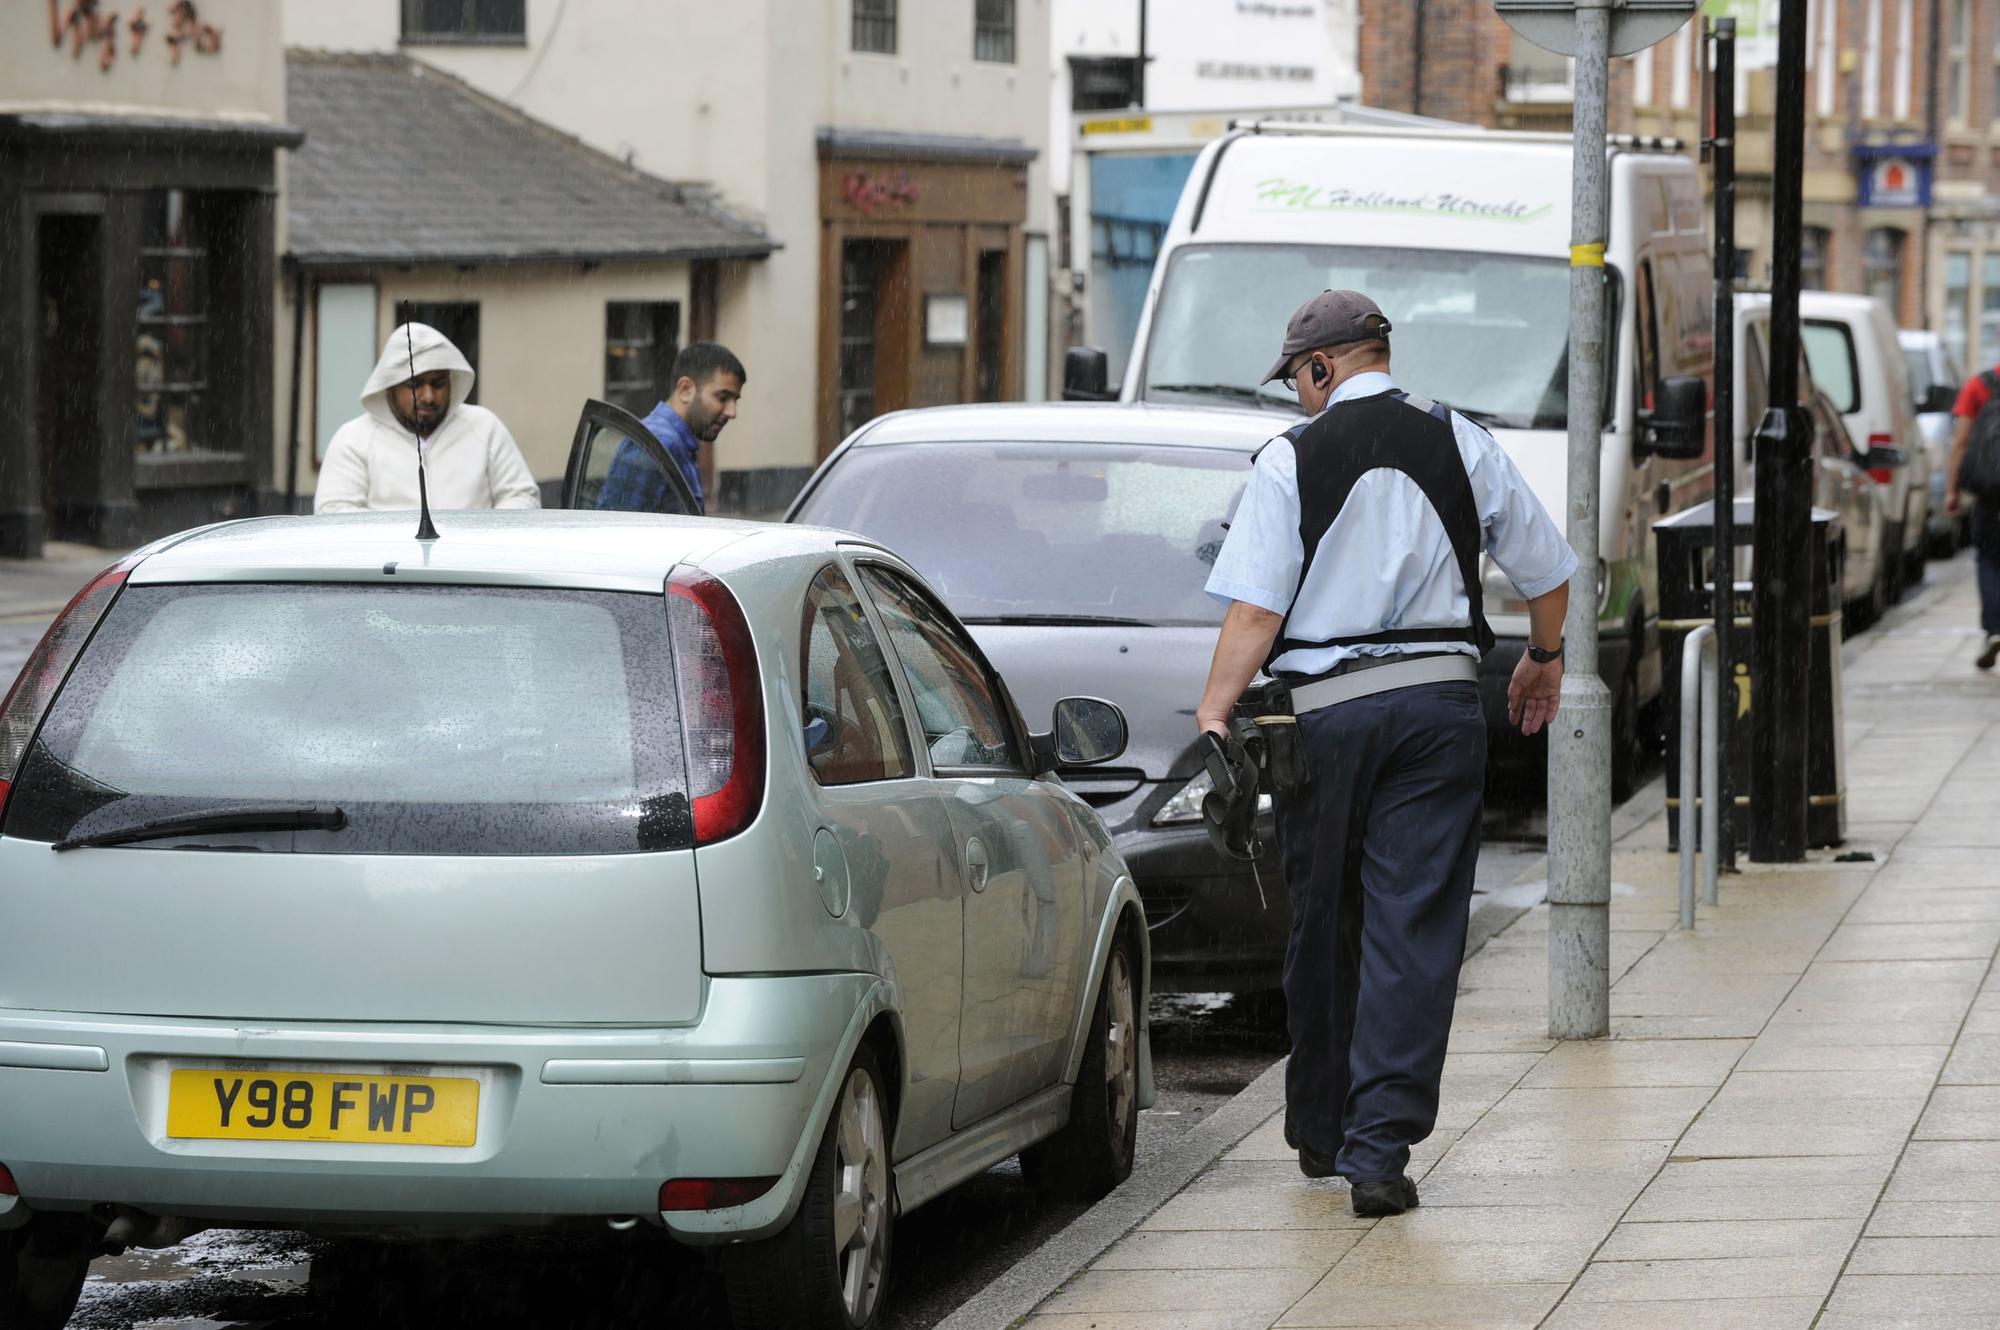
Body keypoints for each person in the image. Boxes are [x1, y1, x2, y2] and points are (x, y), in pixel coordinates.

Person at [1195, 290, 1576, 1217]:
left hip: (1327, 718)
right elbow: (1551, 571)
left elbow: (1255, 611)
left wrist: (1214, 710)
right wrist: (1543, 659)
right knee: (1415, 928)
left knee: (1325, 919)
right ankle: (1378, 1153)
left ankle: (1324, 1131)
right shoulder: (1465, 439)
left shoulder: (1290, 460)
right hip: (1441, 712)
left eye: (1298, 380)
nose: (1297, 399)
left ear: (1323, 367)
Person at [315, 323, 539, 514]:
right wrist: (407, 541)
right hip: (387, 565)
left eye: (438, 384)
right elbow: (333, 512)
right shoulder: (354, 440)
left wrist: (476, 538)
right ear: (390, 385)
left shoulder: (483, 427)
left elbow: (522, 496)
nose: (428, 396)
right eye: (415, 384)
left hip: (472, 563)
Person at [598, 342, 746, 514]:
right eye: (723, 397)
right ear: (685, 390)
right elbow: (618, 531)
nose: (732, 412)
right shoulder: (657, 443)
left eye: (735, 400)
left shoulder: (673, 443)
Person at [1945, 367, 2000, 671]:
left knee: (1990, 559)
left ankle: (1994, 628)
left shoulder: (1980, 385)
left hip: (1992, 493)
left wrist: (1952, 491)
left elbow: (1961, 441)